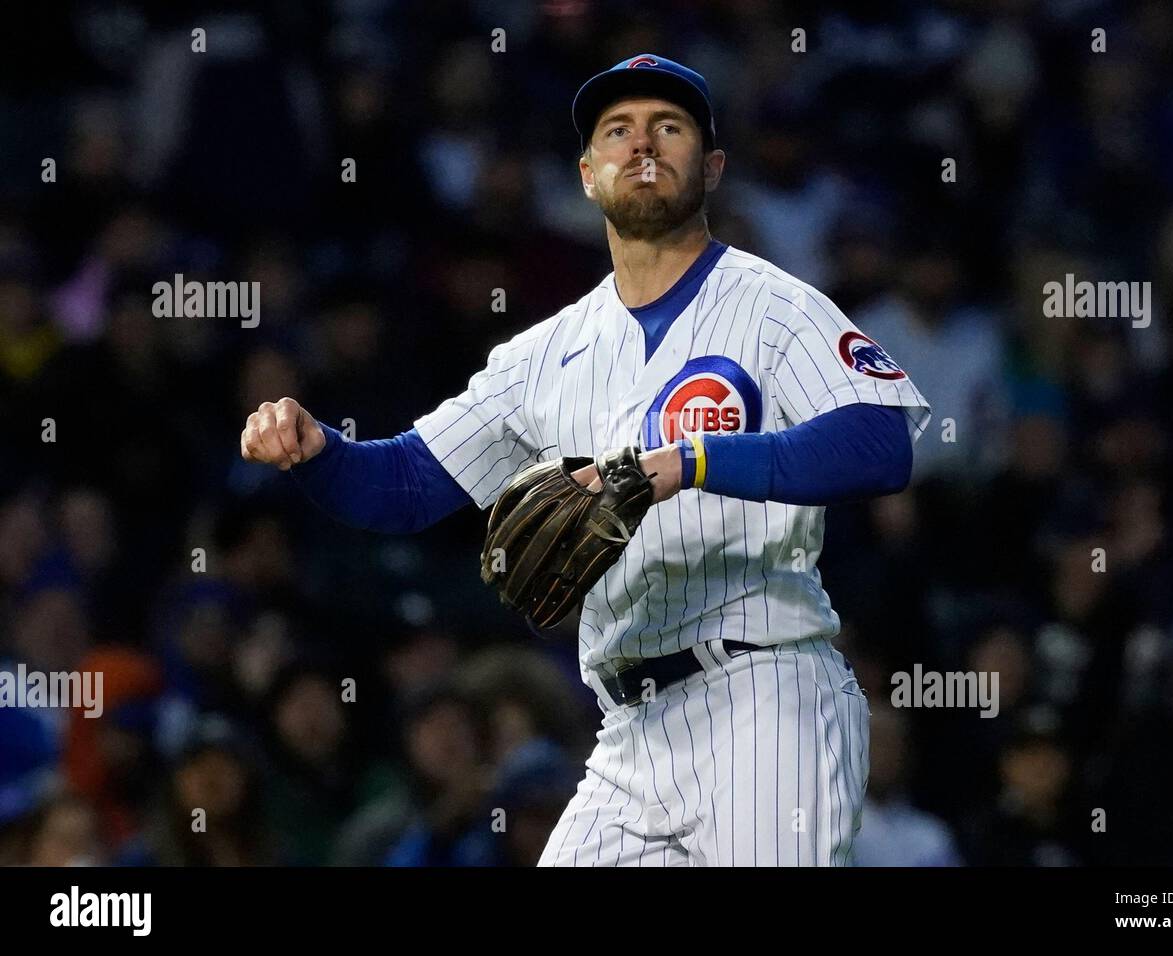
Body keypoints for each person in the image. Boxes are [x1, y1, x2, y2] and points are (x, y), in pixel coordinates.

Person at [240, 54, 930, 866]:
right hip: (628, 728)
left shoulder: (775, 305)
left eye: (667, 128)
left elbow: (881, 445)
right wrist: (319, 451)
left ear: (710, 166)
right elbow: (406, 486)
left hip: (765, 693)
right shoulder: (547, 352)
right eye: (618, 131)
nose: (642, 145)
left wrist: (692, 460)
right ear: (586, 175)